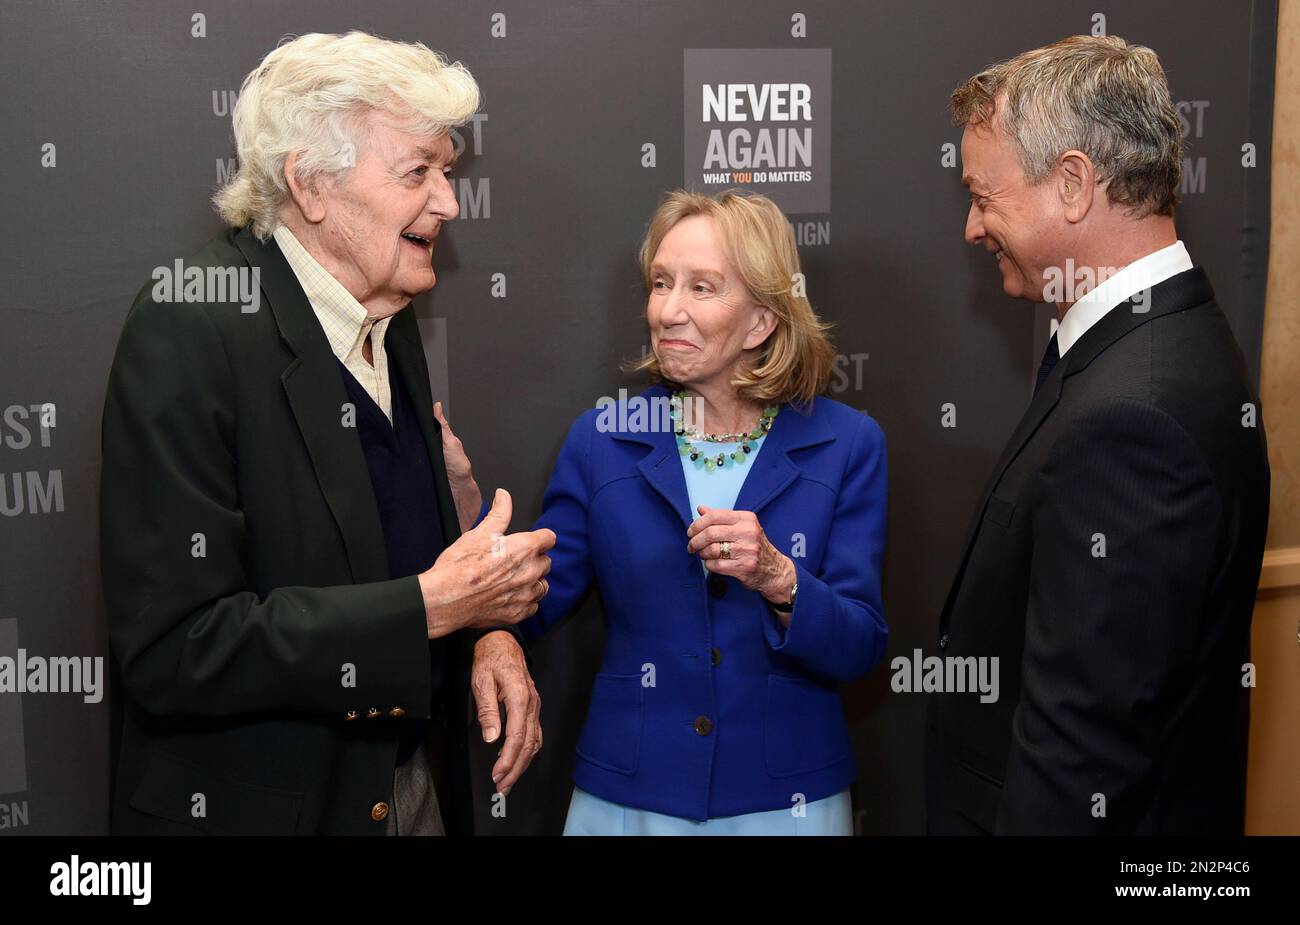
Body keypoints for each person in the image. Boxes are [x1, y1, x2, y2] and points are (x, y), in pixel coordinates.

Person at [100, 31, 553, 836]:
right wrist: (434, 608)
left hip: (408, 788)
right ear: (310, 184)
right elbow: (176, 648)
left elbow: (385, 550)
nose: (449, 201)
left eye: (447, 170)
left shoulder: (388, 307)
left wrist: (485, 629)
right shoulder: (187, 328)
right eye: (418, 171)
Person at [441, 189, 889, 834]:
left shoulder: (847, 444)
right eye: (660, 283)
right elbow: (531, 596)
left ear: (762, 321)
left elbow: (858, 646)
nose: (668, 310)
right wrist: (464, 510)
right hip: (630, 796)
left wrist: (777, 578)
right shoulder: (603, 439)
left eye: (702, 288)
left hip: (786, 801)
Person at [926, 35, 1271, 834]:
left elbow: (1080, 767)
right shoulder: (1144, 344)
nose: (973, 228)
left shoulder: (1135, 418)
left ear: (1074, 184)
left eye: (984, 196)